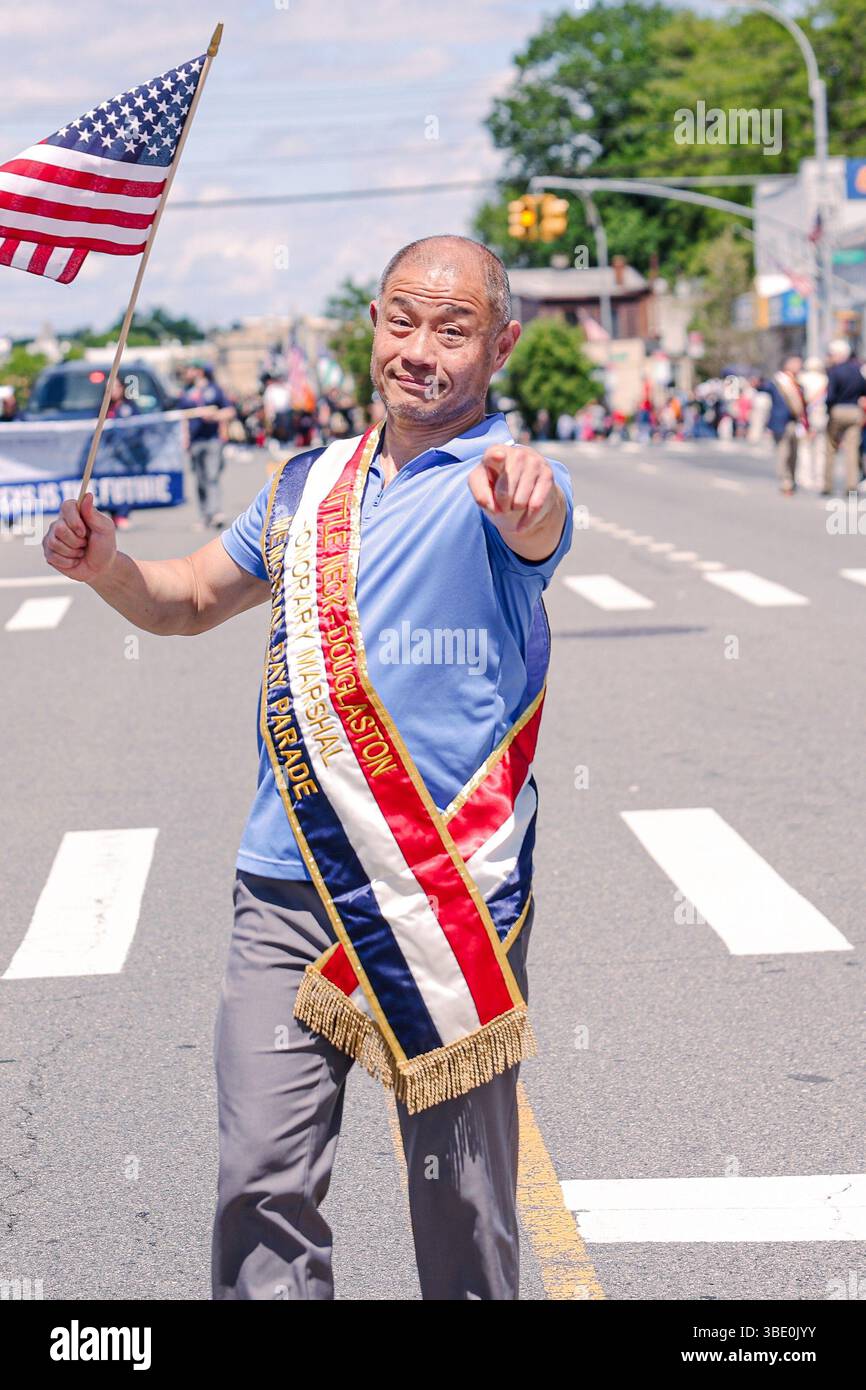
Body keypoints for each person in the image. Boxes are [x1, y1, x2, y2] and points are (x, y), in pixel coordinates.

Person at [41, 234, 574, 1302]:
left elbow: (541, 522)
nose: (419, 349)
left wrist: (529, 498)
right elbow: (188, 596)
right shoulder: (306, 482)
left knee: (463, 1207)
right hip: (285, 885)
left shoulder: (507, 478)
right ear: (371, 325)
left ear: (502, 343)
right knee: (259, 1182)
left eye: (452, 328)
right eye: (399, 319)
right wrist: (107, 568)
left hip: (439, 892)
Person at [177, 362, 235, 528]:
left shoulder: (214, 389)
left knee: (212, 476)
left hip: (212, 439)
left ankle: (216, 512)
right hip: (195, 441)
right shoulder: (186, 392)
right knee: (200, 479)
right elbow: (182, 417)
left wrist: (215, 415)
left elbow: (229, 411)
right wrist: (184, 438)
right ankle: (205, 515)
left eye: (190, 369)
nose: (187, 373)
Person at [757, 356, 806, 494]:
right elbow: (763, 387)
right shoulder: (778, 381)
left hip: (794, 422)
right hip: (781, 422)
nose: (798, 367)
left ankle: (792, 478)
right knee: (783, 453)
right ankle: (785, 480)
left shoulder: (798, 383)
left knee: (794, 453)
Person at [823, 338, 866, 497]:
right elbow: (863, 390)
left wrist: (828, 410)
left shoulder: (834, 371)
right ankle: (851, 486)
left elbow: (831, 395)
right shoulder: (857, 370)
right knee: (852, 449)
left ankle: (827, 485)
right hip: (854, 411)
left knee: (830, 448)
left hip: (838, 410)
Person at [797, 356, 828, 492]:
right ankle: (820, 478)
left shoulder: (801, 378)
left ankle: (804, 476)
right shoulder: (825, 380)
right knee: (821, 449)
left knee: (804, 448)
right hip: (821, 417)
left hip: (805, 417)